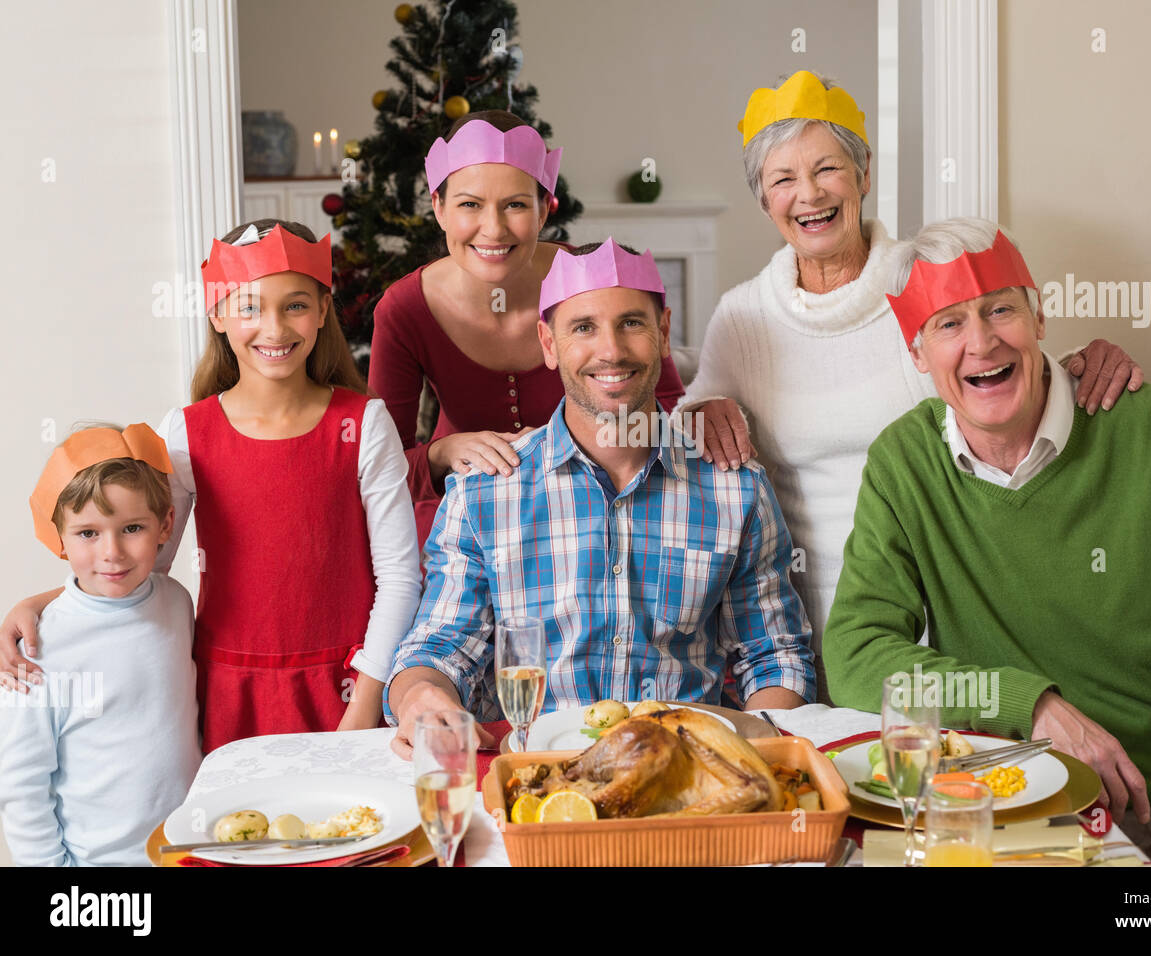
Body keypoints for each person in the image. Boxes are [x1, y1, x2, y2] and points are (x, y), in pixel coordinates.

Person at [822, 217, 1151, 866]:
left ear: (1040, 318)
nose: (982, 343)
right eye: (949, 324)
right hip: (1004, 819)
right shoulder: (903, 464)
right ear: (917, 354)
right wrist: (1031, 703)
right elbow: (856, 656)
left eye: (1000, 311)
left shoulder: (1149, 429)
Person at [679, 71, 1142, 685]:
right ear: (766, 201)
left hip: (960, 620)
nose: (809, 194)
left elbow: (1002, 361)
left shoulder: (926, 275)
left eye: (827, 169)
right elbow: (683, 431)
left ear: (864, 175)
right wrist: (701, 408)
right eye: (783, 180)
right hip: (807, 639)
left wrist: (1087, 362)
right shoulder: (742, 319)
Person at [0, 221, 422, 752]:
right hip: (229, 690)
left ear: (321, 311)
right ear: (218, 315)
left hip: (350, 686)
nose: (274, 328)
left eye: (294, 305)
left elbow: (401, 578)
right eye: (248, 307)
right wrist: (46, 603)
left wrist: (363, 706)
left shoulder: (364, 423)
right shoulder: (186, 432)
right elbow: (144, 564)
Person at [387, 239, 814, 757]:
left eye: (632, 323)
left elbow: (774, 655)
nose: (610, 350)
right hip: (537, 779)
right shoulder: (484, 494)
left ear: (663, 332)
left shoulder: (736, 488)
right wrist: (420, 697)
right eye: (583, 327)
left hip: (688, 773)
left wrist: (751, 758)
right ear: (548, 343)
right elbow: (440, 647)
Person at [369, 110, 685, 546]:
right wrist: (442, 453)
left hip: (597, 505)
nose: (493, 229)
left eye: (515, 204)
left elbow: (667, 406)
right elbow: (380, 468)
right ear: (439, 208)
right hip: (464, 513)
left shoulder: (593, 278)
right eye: (469, 204)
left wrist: (708, 409)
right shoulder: (403, 309)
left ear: (542, 211)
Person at [0, 425, 200, 865]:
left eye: (131, 528)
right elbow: (21, 783)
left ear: (166, 524)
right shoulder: (38, 645)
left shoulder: (175, 603)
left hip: (188, 849)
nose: (112, 552)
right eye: (88, 533)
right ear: (59, 536)